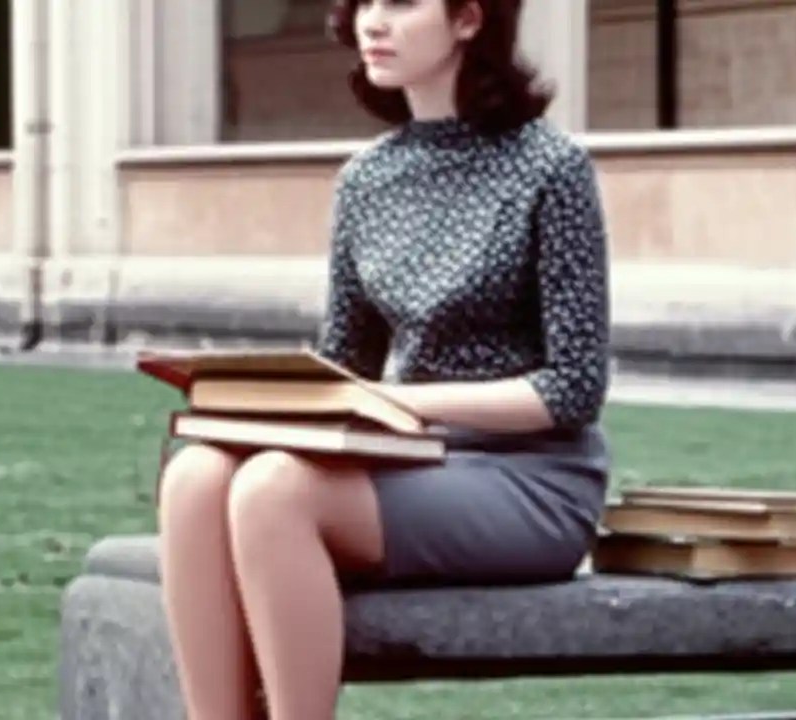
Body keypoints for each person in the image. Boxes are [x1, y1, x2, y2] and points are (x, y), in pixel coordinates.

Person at [155, 0, 612, 717]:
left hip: (529, 477)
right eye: (365, 2)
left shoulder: (551, 167)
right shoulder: (366, 180)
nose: (373, 20)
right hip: (405, 457)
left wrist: (406, 401)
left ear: (469, 19)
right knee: (195, 478)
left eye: (401, 2)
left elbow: (574, 388)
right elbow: (344, 363)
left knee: (274, 490)